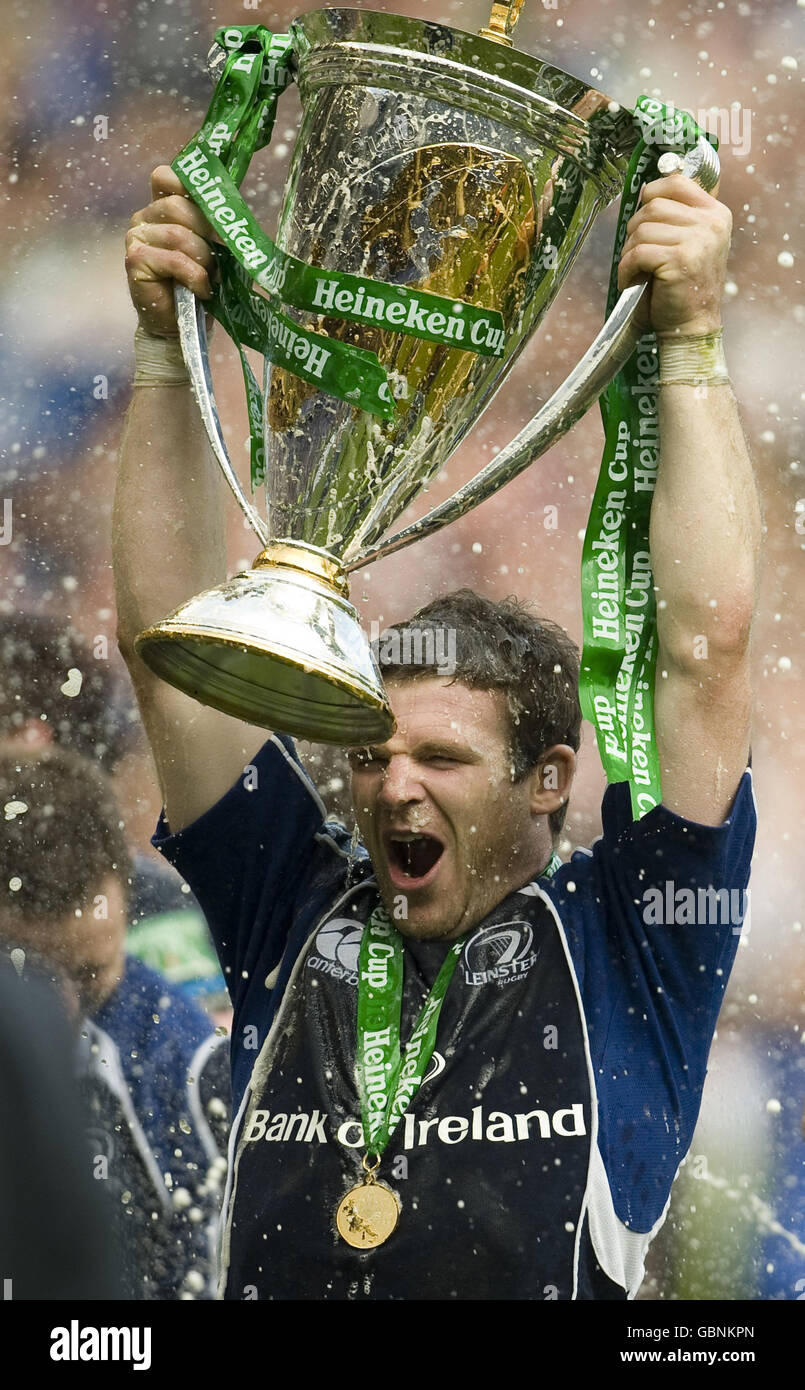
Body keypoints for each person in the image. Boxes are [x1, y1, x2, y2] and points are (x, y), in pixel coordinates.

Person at [116, 160, 760, 1299]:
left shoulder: (632, 938)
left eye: (442, 756)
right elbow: (169, 656)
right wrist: (169, 354)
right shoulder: (293, 904)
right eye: (370, 755)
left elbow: (703, 652)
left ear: (547, 777)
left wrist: (695, 340)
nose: (391, 787)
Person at [0, 746, 230, 1297]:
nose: (61, 1012)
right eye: (28, 974)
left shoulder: (184, 1060)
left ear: (129, 893)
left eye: (87, 975)